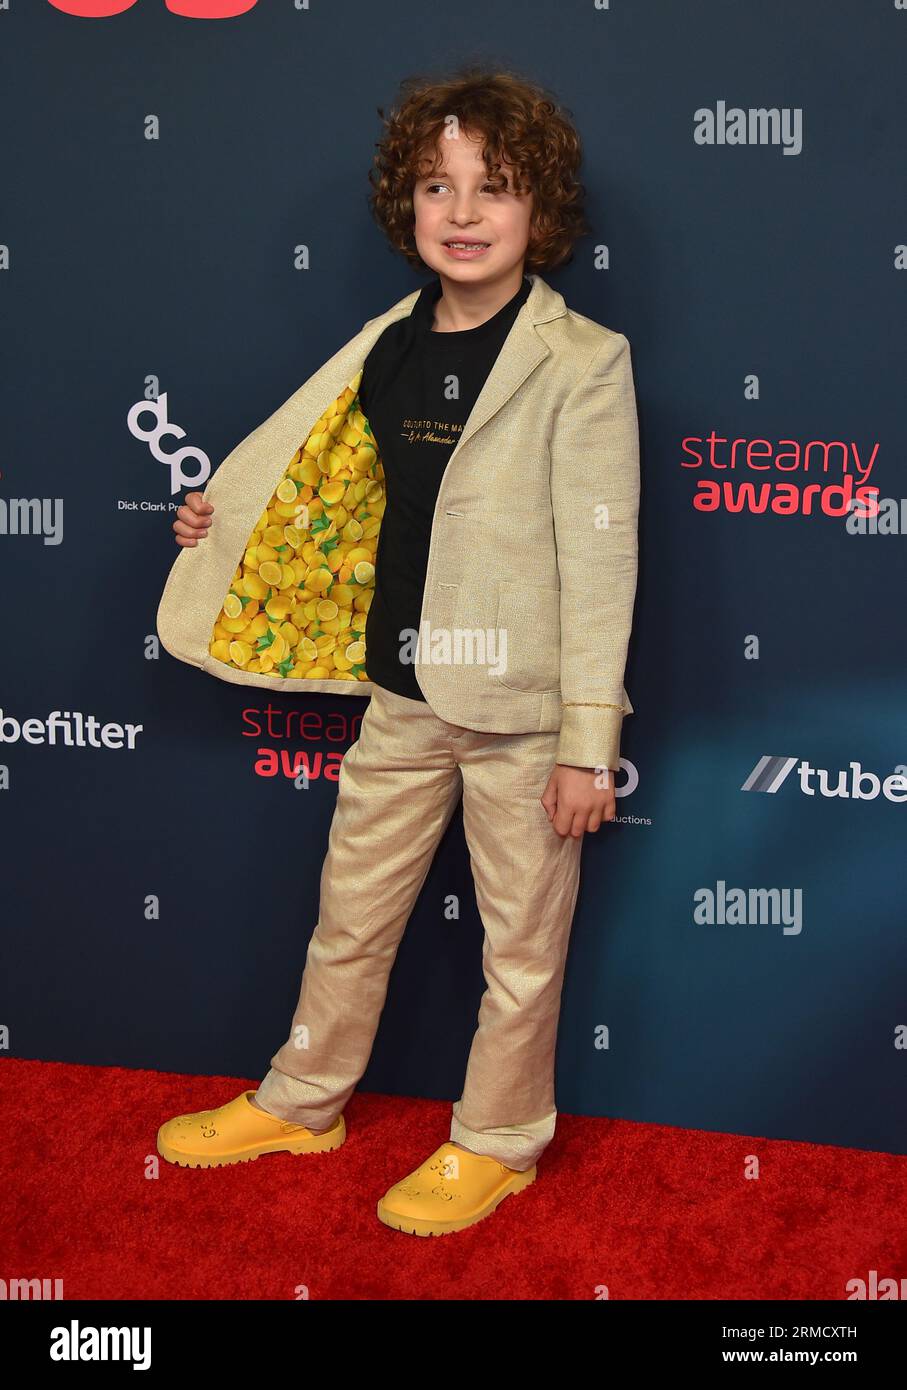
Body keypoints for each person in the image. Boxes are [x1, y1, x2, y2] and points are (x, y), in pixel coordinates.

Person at [156, 63, 640, 1238]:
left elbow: (602, 561)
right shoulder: (387, 342)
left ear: (543, 213)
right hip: (401, 687)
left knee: (520, 948)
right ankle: (303, 1096)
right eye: (438, 186)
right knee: (350, 915)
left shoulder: (582, 360)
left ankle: (497, 1139)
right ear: (405, 206)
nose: (464, 213)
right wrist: (223, 523)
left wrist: (589, 742)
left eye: (495, 188)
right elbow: (328, 492)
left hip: (523, 711)